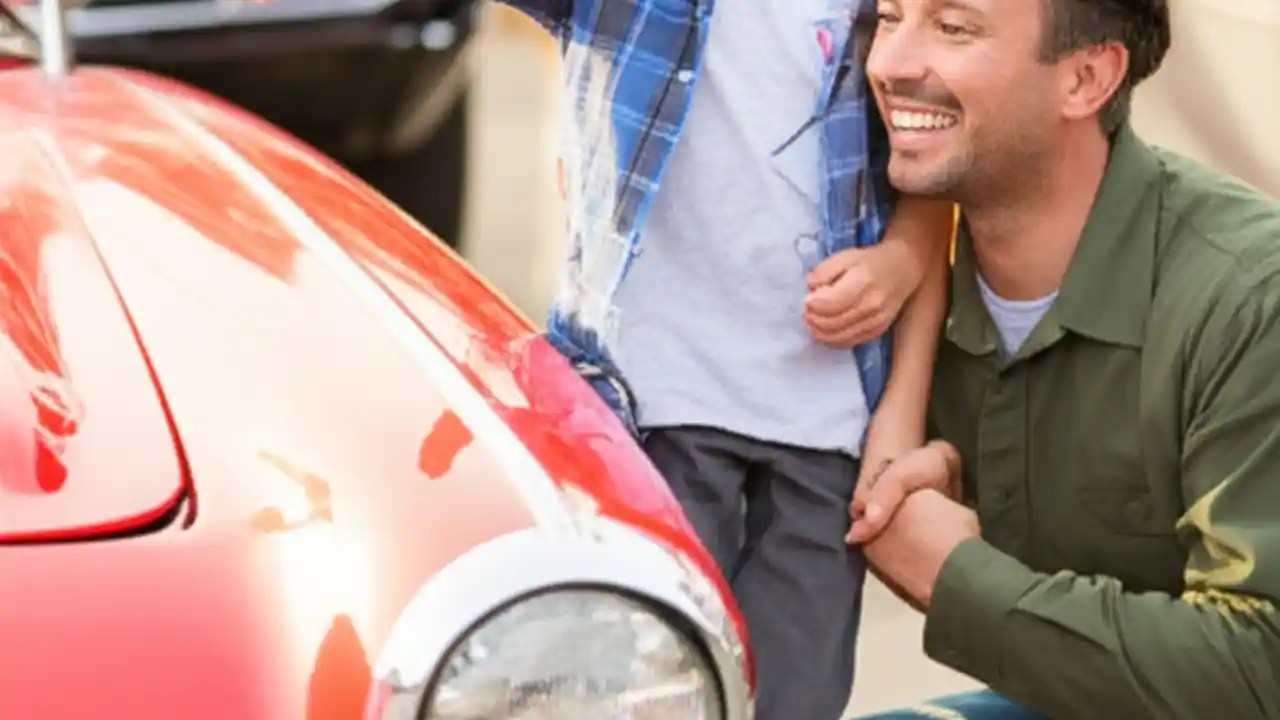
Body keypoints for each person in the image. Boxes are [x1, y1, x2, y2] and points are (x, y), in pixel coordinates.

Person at [493, 0, 955, 717]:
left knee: (798, 696)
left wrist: (902, 259)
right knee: (645, 688)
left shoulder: (890, 14)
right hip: (654, 414)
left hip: (828, 432)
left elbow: (931, 173)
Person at [840, 0, 1280, 718]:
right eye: (889, 17)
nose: (887, 65)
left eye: (954, 28)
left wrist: (954, 575)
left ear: (1086, 78)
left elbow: (1262, 665)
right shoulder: (890, 288)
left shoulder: (1251, 298)